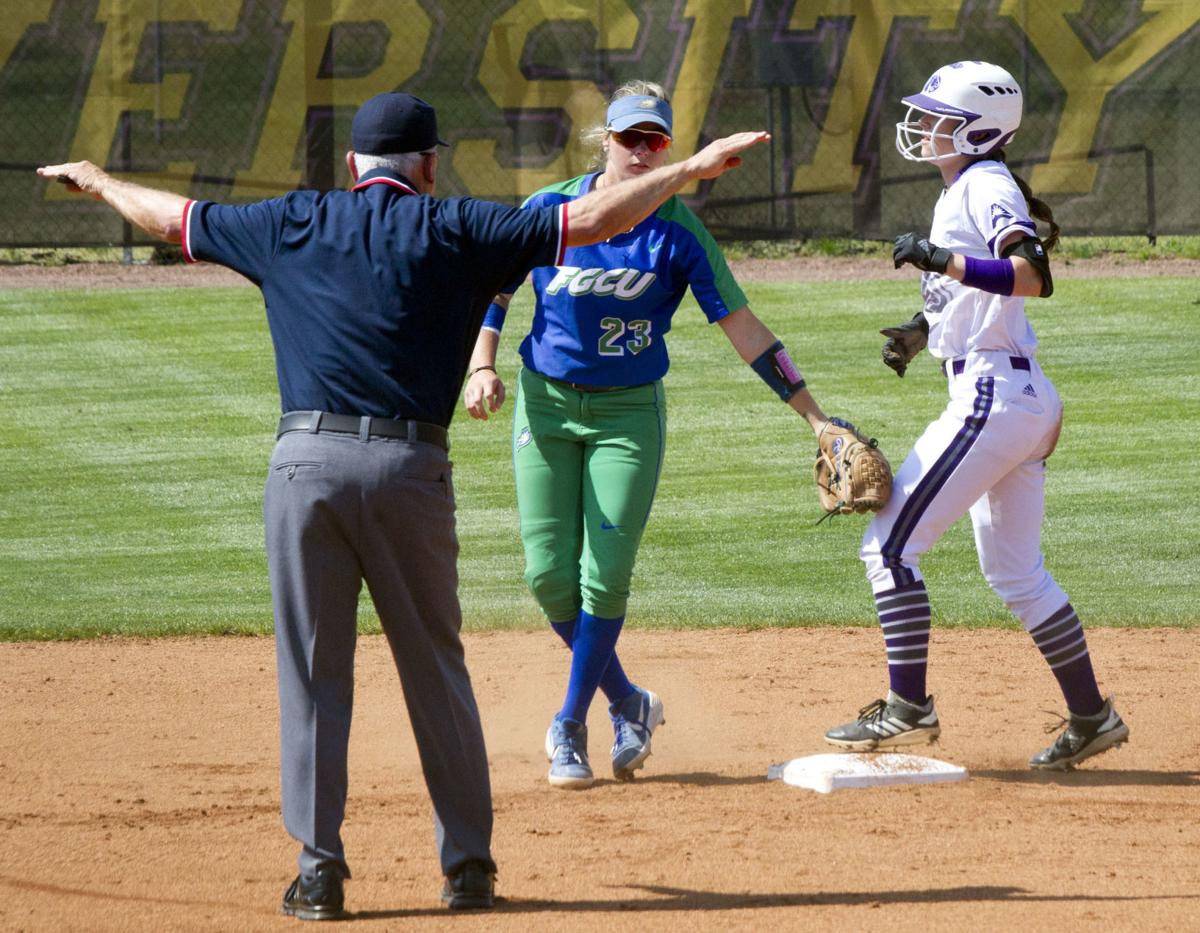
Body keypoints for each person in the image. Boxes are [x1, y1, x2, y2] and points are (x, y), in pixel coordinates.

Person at [37, 93, 770, 918]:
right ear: (428, 166)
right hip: (408, 472)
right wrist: (689, 170)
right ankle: (468, 868)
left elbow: (174, 218)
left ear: (352, 168)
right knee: (436, 671)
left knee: (315, 679)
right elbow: (595, 218)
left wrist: (99, 181)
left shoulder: (293, 221)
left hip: (303, 471)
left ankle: (320, 871)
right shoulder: (456, 228)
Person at [462, 81, 833, 790]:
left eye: (654, 140)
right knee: (547, 575)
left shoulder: (679, 233)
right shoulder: (551, 210)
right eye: (629, 137)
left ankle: (569, 725)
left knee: (604, 573)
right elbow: (495, 289)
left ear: (668, 147)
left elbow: (746, 331)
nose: (640, 150)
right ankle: (630, 702)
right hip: (544, 406)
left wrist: (814, 415)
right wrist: (481, 363)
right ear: (604, 139)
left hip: (628, 416)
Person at [823, 61, 1128, 770]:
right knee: (1017, 573)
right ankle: (1092, 716)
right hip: (1018, 396)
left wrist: (940, 261)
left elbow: (1031, 274)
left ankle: (909, 707)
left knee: (889, 546)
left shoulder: (984, 184)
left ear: (979, 129)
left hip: (992, 395)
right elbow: (975, 298)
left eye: (938, 119)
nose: (924, 128)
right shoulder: (970, 187)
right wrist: (920, 330)